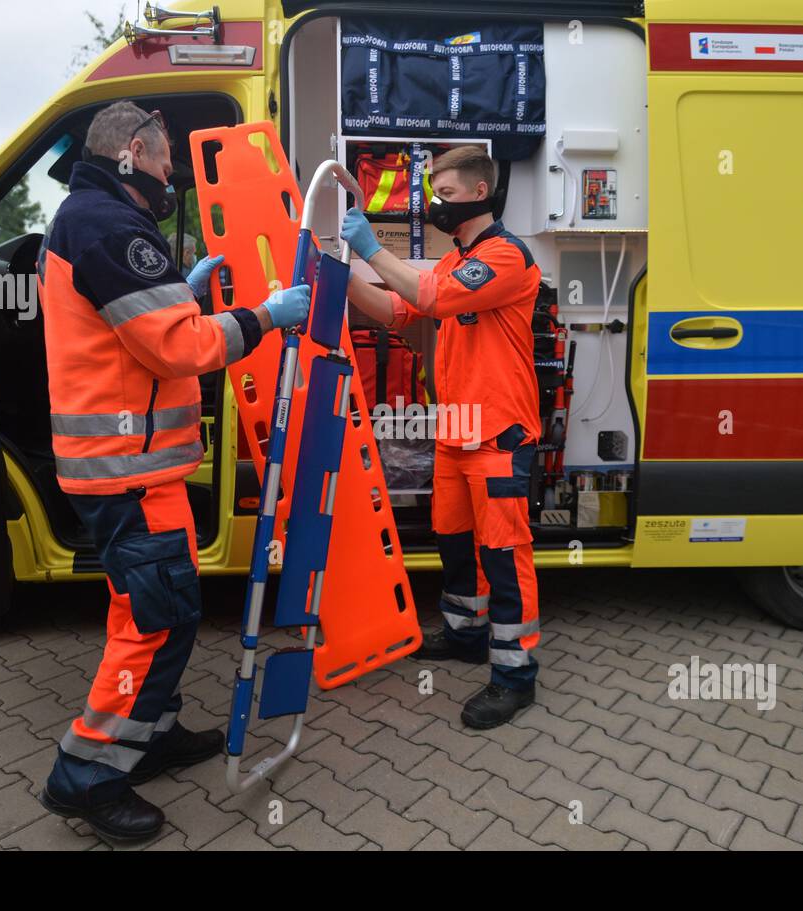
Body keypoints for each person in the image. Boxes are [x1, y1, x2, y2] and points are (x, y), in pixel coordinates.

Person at [35, 101, 312, 841]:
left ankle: (151, 731)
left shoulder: (89, 219)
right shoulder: (107, 225)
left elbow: (126, 331)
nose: (169, 179)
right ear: (133, 151)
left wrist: (181, 293)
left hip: (134, 470)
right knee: (151, 627)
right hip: (128, 472)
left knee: (166, 612)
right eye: (163, 165)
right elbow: (181, 349)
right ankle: (85, 775)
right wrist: (265, 315)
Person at [343, 145, 542, 729]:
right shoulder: (453, 262)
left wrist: (369, 247)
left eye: (445, 194)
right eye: (432, 192)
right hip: (456, 431)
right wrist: (340, 275)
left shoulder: (504, 257)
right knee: (455, 542)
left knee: (504, 555)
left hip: (499, 433)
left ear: (479, 193)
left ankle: (514, 675)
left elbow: (431, 298)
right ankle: (464, 635)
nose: (435, 203)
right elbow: (398, 311)